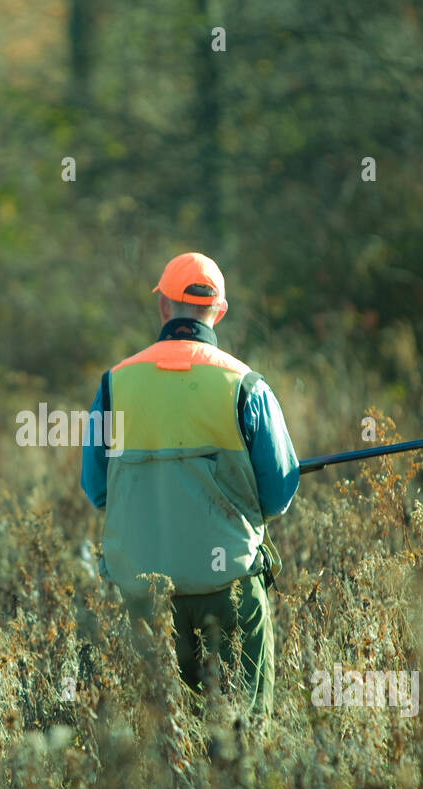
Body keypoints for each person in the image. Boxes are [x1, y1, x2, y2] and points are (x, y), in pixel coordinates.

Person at [80, 252, 300, 716]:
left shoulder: (114, 385)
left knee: (158, 753)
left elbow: (96, 490)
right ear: (219, 311)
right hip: (231, 588)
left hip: (143, 600)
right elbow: (278, 495)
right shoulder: (246, 385)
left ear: (163, 307)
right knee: (241, 743)